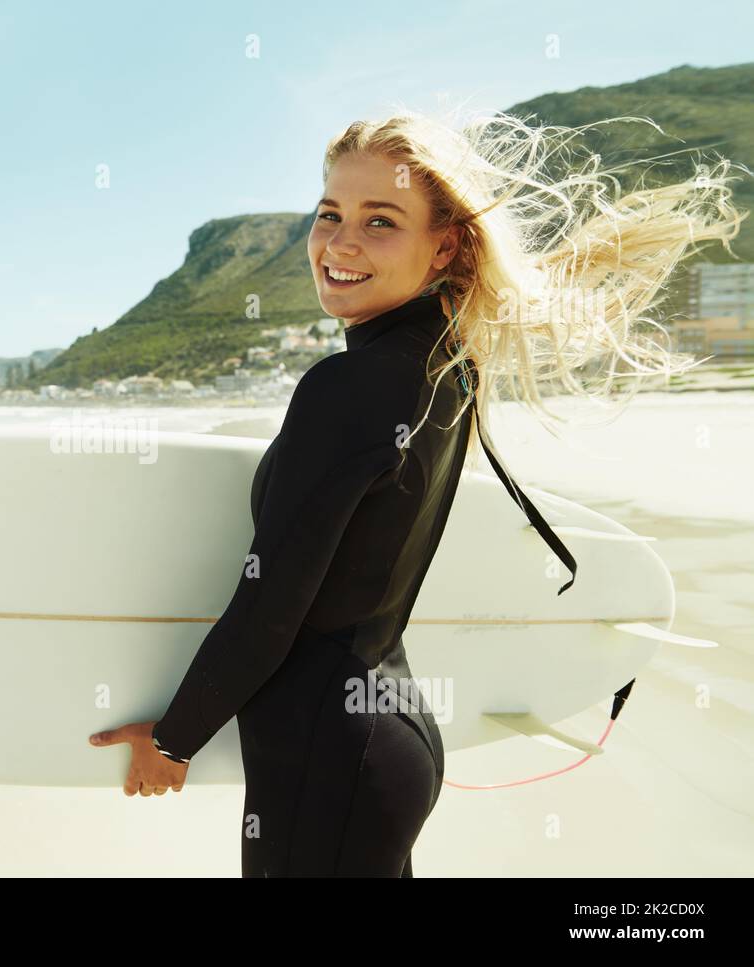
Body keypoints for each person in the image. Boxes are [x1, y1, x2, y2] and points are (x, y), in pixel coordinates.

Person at [90, 108, 746, 877]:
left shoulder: (350, 385)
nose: (340, 243)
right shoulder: (445, 366)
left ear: (445, 245)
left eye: (381, 221)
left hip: (327, 765)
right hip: (386, 740)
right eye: (330, 213)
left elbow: (272, 609)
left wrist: (174, 740)